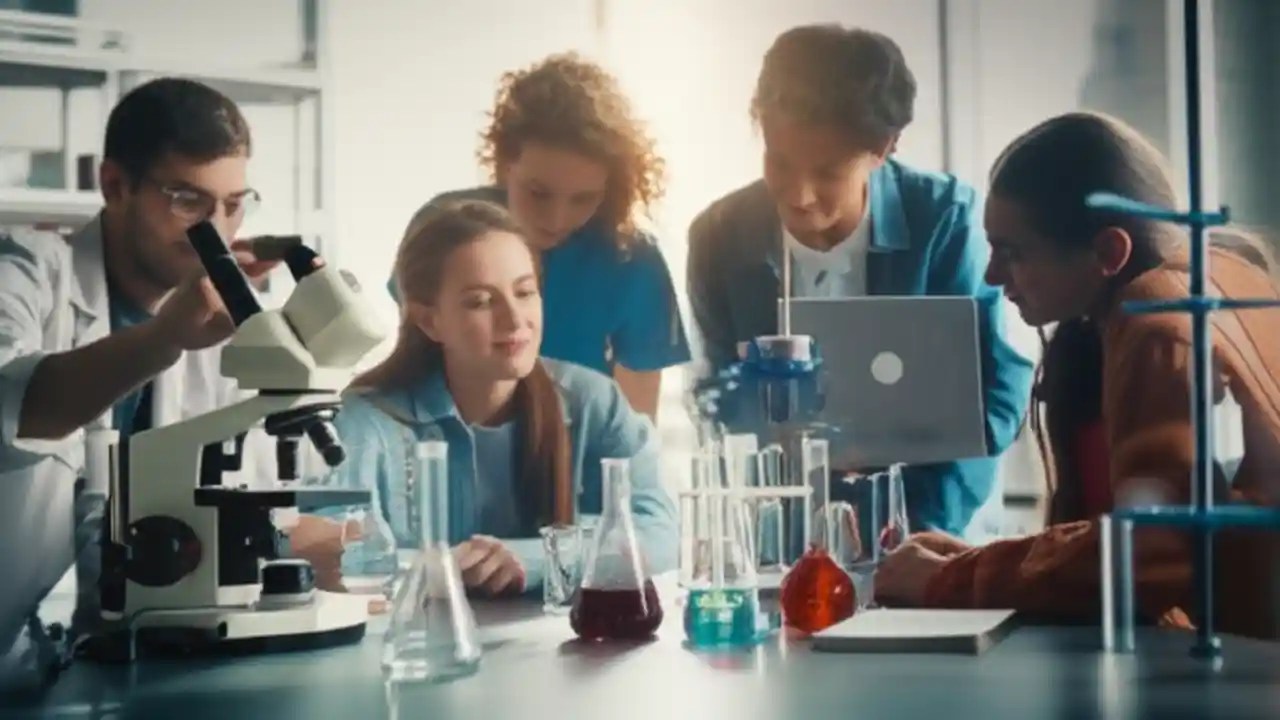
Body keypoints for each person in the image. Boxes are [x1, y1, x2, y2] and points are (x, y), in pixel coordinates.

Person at [875, 112, 1280, 640]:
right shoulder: (1210, 283)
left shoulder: (1157, 325)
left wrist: (950, 580)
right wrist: (991, 562)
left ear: (1110, 252)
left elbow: (1153, 558)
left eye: (1012, 252)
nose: (994, 277)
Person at [686, 24, 1034, 538]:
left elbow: (992, 393)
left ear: (885, 147)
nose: (798, 195)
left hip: (935, 523)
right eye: (778, 162)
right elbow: (714, 395)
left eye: (826, 172)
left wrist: (921, 534)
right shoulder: (719, 236)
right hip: (783, 533)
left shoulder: (944, 220)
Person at [0, 78, 278, 688]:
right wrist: (163, 338)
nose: (217, 230)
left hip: (87, 665)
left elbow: (239, 497)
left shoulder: (225, 321)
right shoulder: (25, 271)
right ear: (114, 186)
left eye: (234, 204)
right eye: (188, 201)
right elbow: (13, 410)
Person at [298, 200, 678, 596]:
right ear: (430, 320)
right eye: (481, 301)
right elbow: (333, 552)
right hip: (417, 649)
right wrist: (448, 569)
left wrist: (529, 560)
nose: (515, 321)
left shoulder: (592, 401)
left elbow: (660, 532)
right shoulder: (367, 422)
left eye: (525, 292)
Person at [389, 53, 690, 421]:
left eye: (584, 199)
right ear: (505, 164)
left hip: (578, 458)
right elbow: (413, 371)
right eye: (538, 193)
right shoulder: (444, 230)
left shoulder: (631, 257)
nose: (556, 219)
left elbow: (636, 430)